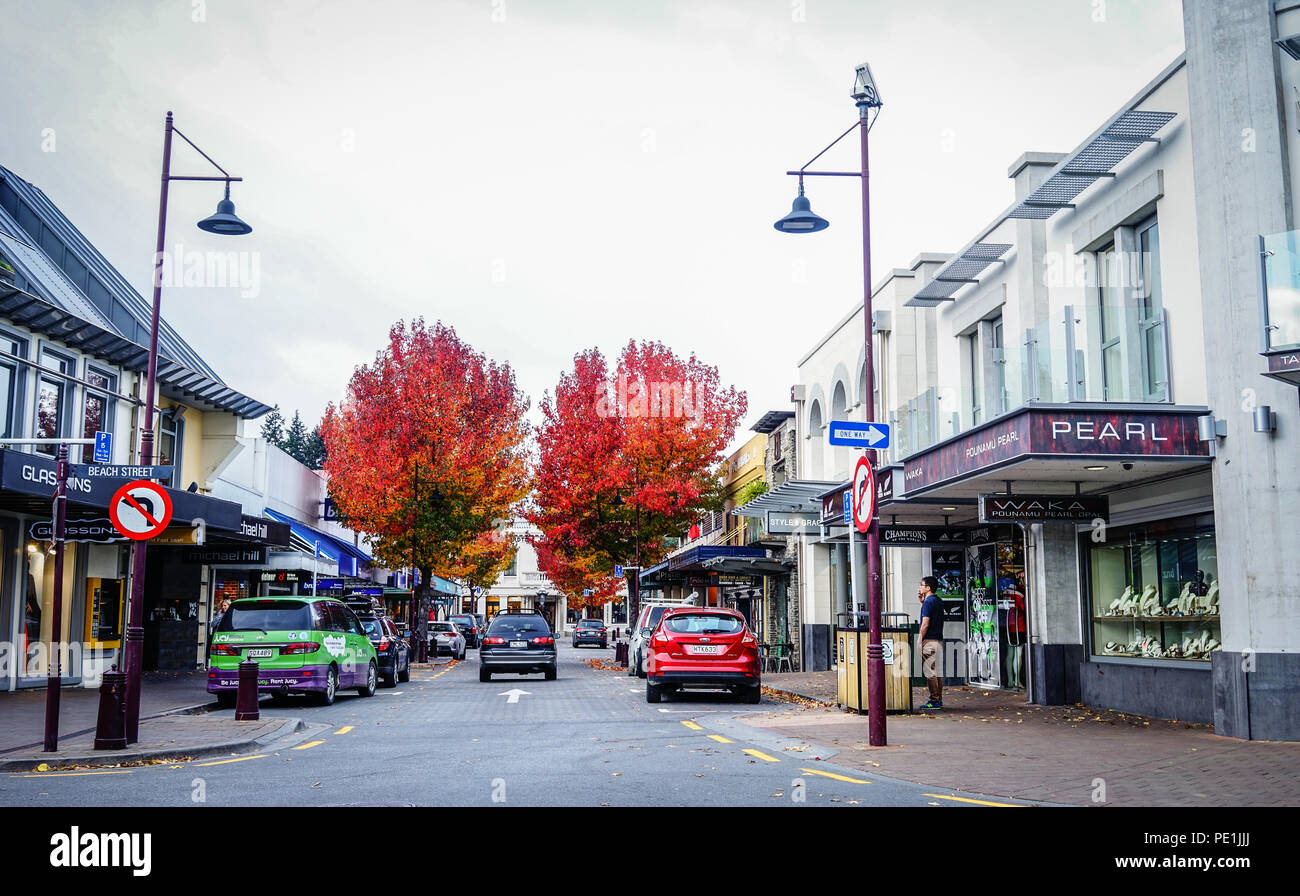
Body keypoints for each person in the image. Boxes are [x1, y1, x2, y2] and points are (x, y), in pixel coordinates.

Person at [917, 576, 945, 711]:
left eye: (922, 585)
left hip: (929, 641)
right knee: (937, 672)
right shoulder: (938, 601)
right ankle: (938, 699)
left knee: (930, 671)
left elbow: (925, 623)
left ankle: (934, 700)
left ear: (928, 588)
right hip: (939, 640)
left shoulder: (928, 602)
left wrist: (919, 638)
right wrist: (922, 602)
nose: (920, 587)